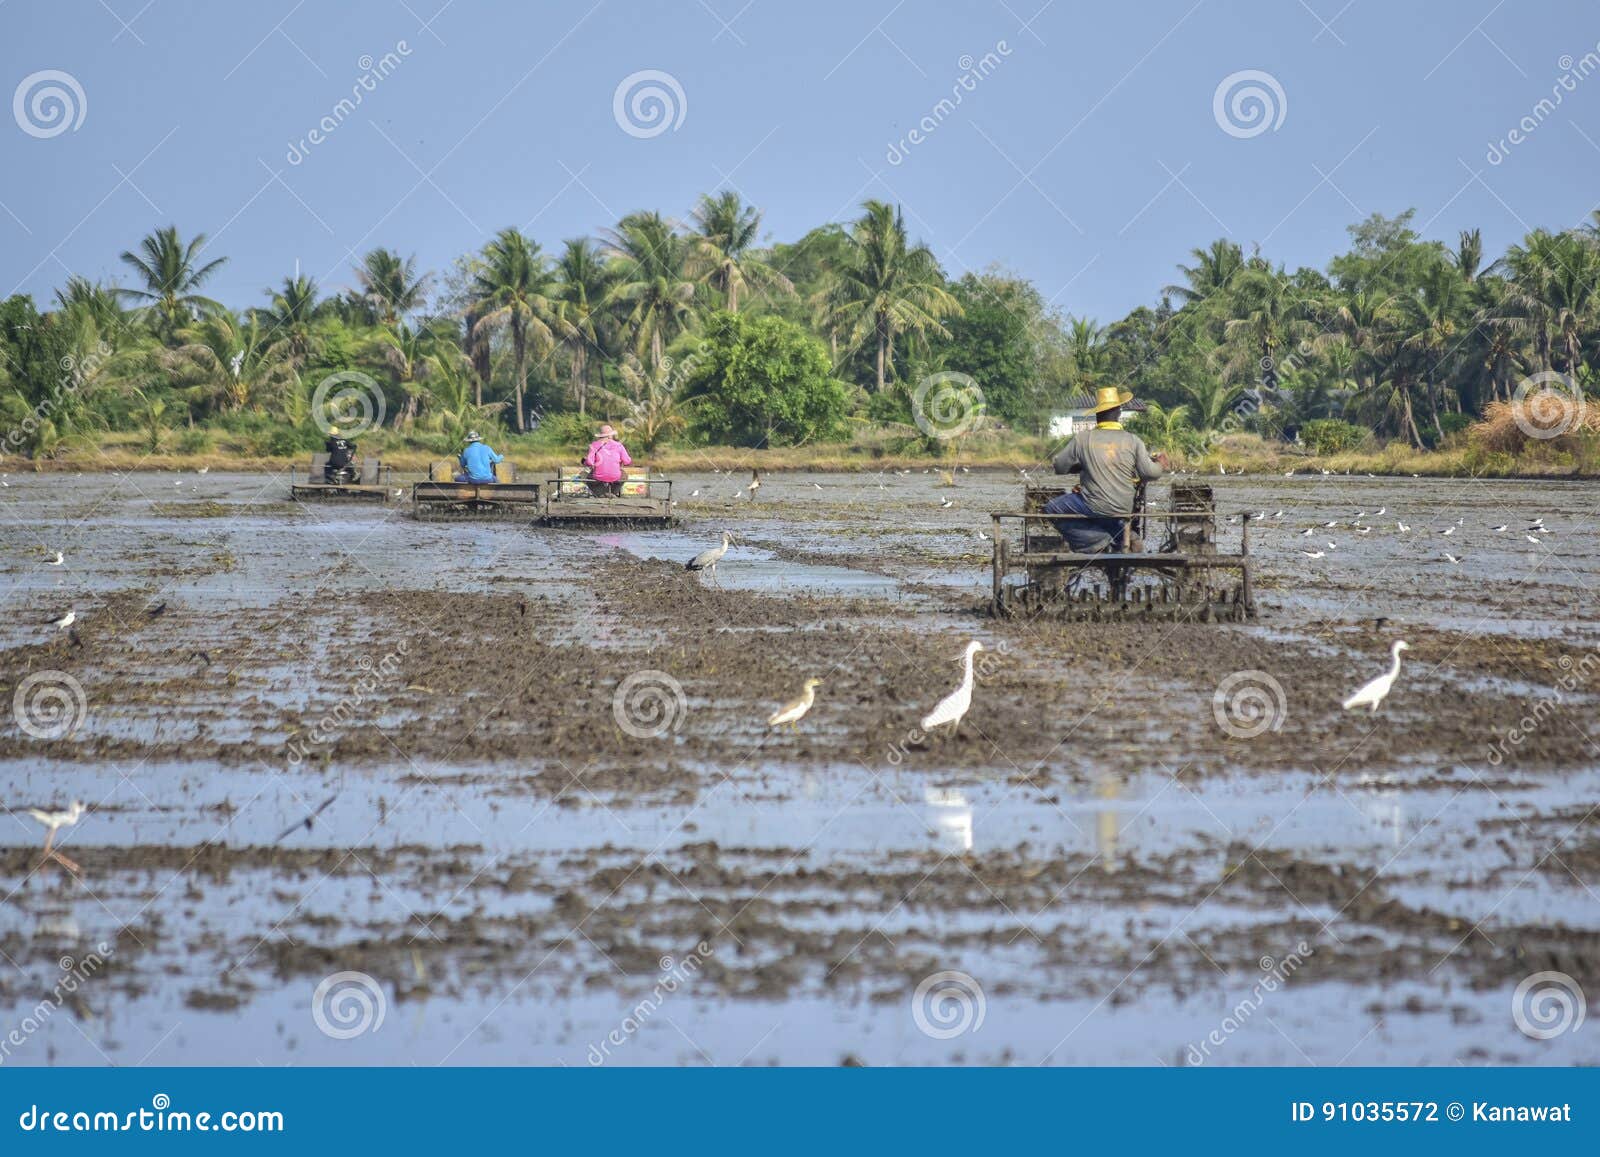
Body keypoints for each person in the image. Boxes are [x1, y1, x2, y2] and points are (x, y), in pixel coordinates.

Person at [1046, 386, 1169, 552]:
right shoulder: (1133, 440)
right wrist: (1160, 464)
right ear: (1118, 412)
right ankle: (1121, 535)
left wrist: (1080, 465)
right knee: (1110, 513)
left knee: (1052, 508)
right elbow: (1149, 473)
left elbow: (1059, 467)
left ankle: (1096, 540)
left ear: (1097, 414)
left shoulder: (1083, 439)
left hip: (1093, 505)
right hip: (1124, 507)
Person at [583, 424, 633, 497]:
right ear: (610, 435)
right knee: (624, 476)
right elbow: (627, 461)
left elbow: (590, 462)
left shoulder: (594, 445)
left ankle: (600, 493)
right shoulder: (619, 445)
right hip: (615, 476)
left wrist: (585, 462)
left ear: (600, 435)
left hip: (598, 476)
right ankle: (613, 493)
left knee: (587, 477)